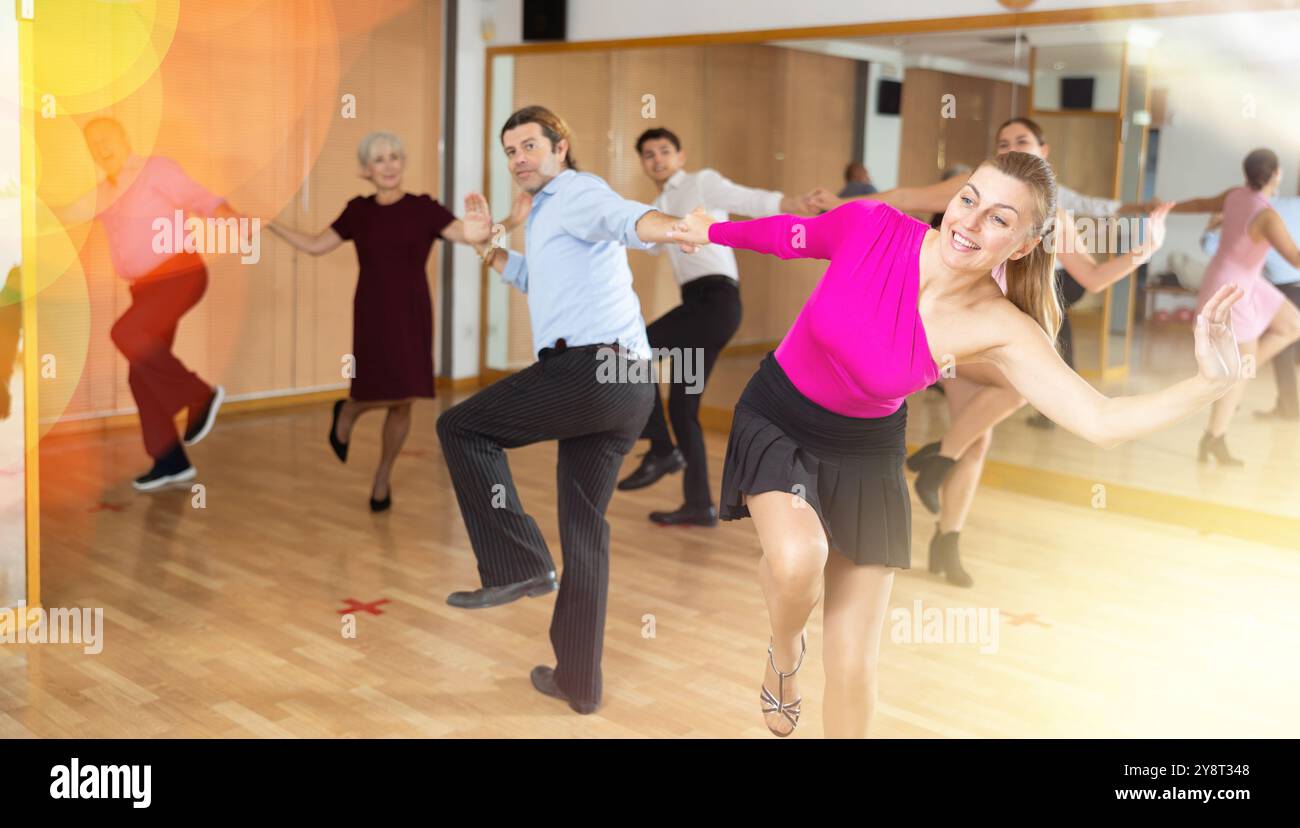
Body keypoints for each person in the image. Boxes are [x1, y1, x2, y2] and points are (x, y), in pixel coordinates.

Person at [670, 150, 1242, 738]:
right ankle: (785, 654)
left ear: (1021, 245)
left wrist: (1209, 384)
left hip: (867, 455)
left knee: (854, 668)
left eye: (998, 218)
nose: (969, 223)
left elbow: (1101, 420)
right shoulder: (875, 227)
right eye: (968, 199)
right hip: (779, 415)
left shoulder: (999, 325)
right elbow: (793, 235)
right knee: (797, 559)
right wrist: (710, 229)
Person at [820, 117, 1172, 584]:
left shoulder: (1051, 217)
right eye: (1003, 142)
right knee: (1016, 389)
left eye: (1022, 142)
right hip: (948, 334)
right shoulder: (973, 191)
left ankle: (947, 540)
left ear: (1043, 150)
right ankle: (935, 459)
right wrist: (842, 206)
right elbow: (902, 197)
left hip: (986, 346)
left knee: (977, 441)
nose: (1012, 148)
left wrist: (1141, 254)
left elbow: (1091, 277)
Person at [436, 106, 694, 715]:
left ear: (560, 147)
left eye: (529, 145)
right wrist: (487, 249)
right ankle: (579, 680)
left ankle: (518, 563)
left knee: (461, 426)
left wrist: (675, 228)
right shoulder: (548, 212)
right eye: (510, 151)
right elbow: (533, 278)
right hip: (627, 386)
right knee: (584, 532)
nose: (519, 158)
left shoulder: (577, 192)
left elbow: (627, 219)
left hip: (589, 372)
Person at [267, 132, 498, 511]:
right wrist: (271, 223)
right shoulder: (358, 210)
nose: (388, 165)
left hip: (413, 311)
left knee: (405, 399)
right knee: (381, 387)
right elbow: (314, 245)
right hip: (374, 312)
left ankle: (381, 477)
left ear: (403, 163)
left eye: (394, 156)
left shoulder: (424, 208)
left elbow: (472, 235)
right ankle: (352, 409)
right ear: (365, 170)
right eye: (378, 159)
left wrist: (502, 222)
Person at [616, 126, 812, 526]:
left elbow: (747, 198)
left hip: (716, 302)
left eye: (664, 151)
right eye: (649, 154)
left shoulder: (700, 183)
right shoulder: (659, 204)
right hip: (699, 305)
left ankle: (659, 449)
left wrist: (792, 203)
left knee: (630, 353)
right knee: (683, 407)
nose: (657, 159)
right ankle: (698, 504)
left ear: (680, 155)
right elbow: (644, 239)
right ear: (643, 163)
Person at [62, 118, 239, 491]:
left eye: (107, 137)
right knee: (140, 372)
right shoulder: (102, 193)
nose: (102, 146)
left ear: (125, 138)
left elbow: (199, 198)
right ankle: (170, 461)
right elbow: (60, 215)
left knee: (125, 332)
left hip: (178, 272)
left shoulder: (154, 169)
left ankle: (200, 395)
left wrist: (229, 218)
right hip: (145, 289)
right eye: (93, 143)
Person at [1174, 149, 1300, 463]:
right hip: (1232, 290)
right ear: (1277, 174)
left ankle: (1234, 377)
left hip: (1244, 281)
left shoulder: (1235, 195)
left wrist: (1167, 206)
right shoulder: (1267, 216)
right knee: (1243, 366)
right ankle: (1214, 438)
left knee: (1292, 324)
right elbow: (1296, 259)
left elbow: (1201, 204)